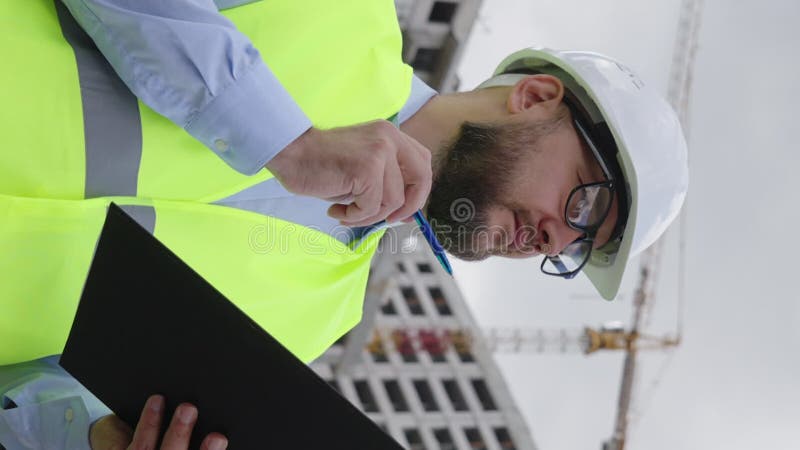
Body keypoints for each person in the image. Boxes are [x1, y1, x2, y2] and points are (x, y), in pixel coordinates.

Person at [0, 0, 688, 448]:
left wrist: (93, 436)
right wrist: (283, 139)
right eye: (586, 204)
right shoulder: (344, 14)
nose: (554, 240)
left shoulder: (320, 317)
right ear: (536, 98)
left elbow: (25, 395)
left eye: (576, 250)